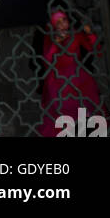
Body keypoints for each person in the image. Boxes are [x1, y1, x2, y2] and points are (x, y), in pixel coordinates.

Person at [38, 9, 105, 137]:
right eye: (58, 23)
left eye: (64, 20)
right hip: (58, 81)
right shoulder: (49, 37)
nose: (63, 25)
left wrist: (89, 33)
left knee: (88, 114)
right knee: (63, 118)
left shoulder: (75, 34)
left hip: (78, 78)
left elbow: (97, 50)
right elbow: (47, 61)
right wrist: (56, 43)